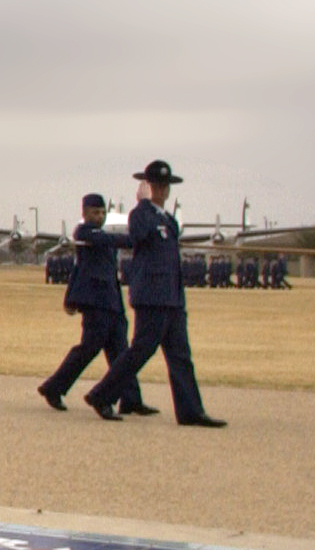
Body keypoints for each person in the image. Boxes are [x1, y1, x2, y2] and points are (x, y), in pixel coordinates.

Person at [83, 160, 226, 428]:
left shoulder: (169, 221)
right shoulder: (141, 215)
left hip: (171, 297)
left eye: (164, 185)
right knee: (140, 350)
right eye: (155, 185)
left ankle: (190, 411)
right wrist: (144, 203)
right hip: (151, 296)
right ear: (147, 187)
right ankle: (102, 395)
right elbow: (138, 235)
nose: (161, 190)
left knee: (181, 356)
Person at [37, 192, 131, 411]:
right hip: (96, 301)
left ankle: (130, 397)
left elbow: (81, 268)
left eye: (102, 213)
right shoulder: (85, 233)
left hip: (111, 300)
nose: (100, 217)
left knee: (121, 350)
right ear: (85, 213)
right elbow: (111, 242)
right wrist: (138, 239)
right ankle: (54, 387)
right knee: (89, 347)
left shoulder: (100, 235)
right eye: (95, 213)